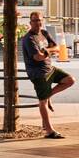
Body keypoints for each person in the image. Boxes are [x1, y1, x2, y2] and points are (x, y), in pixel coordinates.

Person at [20, 11, 74, 139]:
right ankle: (49, 130)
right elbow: (37, 57)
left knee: (70, 80)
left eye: (39, 20)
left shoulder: (43, 33)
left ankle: (49, 95)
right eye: (34, 21)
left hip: (50, 68)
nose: (37, 23)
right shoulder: (29, 38)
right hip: (38, 73)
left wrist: (46, 51)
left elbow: (56, 47)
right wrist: (47, 52)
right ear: (30, 23)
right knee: (42, 101)